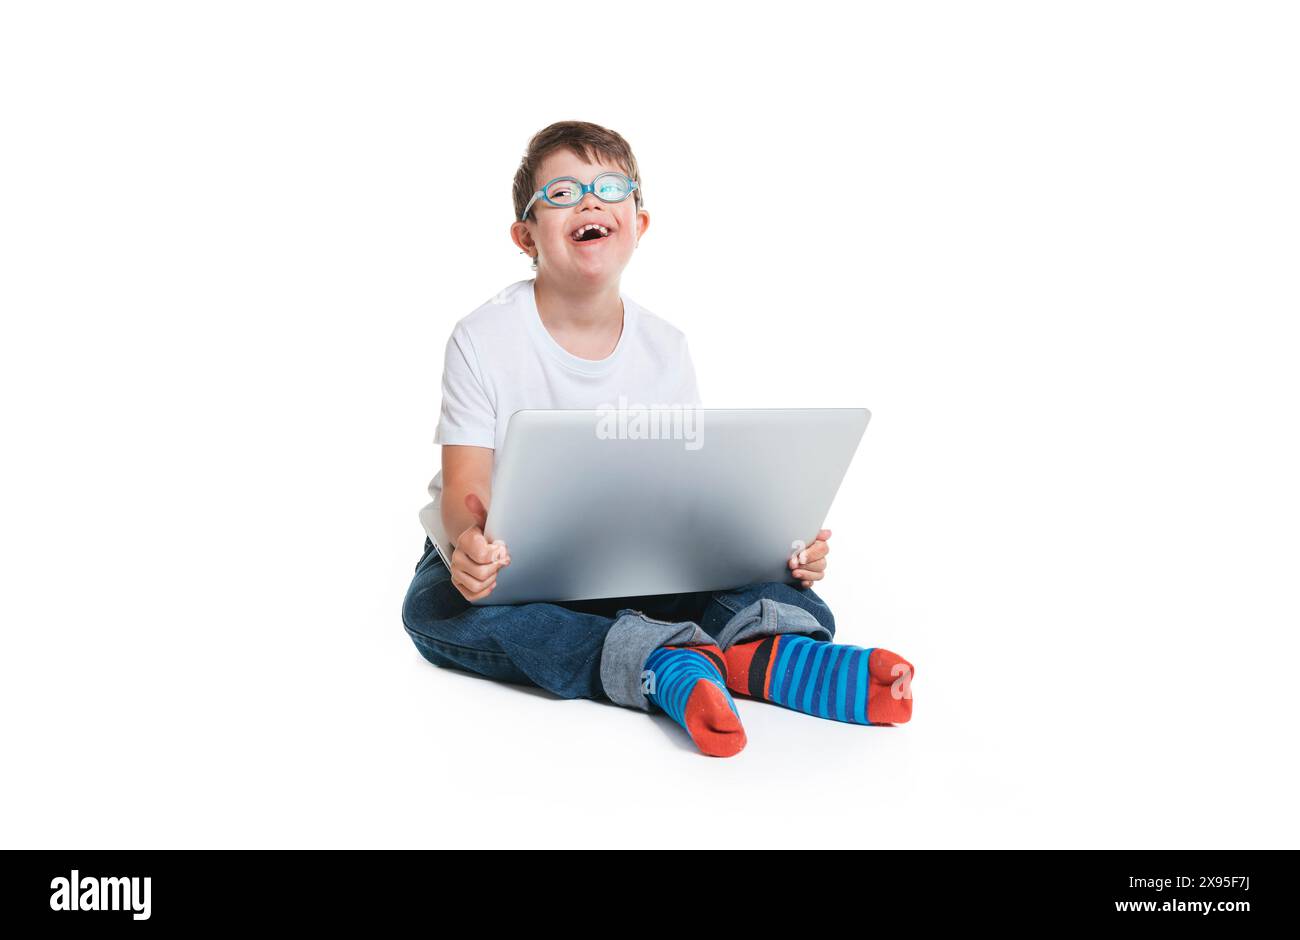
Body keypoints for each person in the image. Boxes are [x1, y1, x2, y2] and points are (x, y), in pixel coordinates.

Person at [401, 120, 914, 757]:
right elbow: (464, 489)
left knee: (772, 589)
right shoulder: (482, 338)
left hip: (631, 555)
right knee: (435, 612)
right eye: (561, 193)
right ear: (524, 235)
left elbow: (684, 497)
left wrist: (776, 549)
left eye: (609, 187)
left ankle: (766, 651)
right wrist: (470, 547)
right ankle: (661, 660)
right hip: (508, 565)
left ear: (638, 224)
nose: (588, 201)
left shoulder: (666, 347)